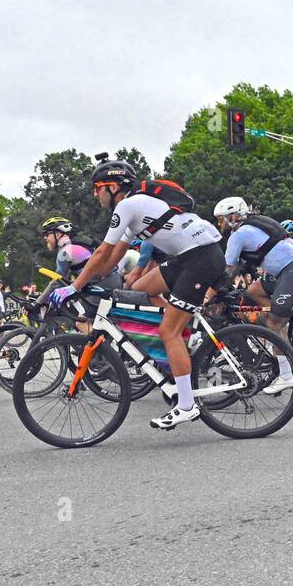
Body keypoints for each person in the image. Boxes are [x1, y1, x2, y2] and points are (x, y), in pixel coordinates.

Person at [50, 160, 225, 429]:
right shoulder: (135, 213)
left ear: (112, 186)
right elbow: (110, 261)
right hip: (187, 257)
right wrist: (86, 281)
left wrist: (74, 288)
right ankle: (183, 330)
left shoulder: (128, 206)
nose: (95, 195)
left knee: (168, 331)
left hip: (200, 259)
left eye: (97, 188)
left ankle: (187, 404)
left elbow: (101, 253)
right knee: (140, 287)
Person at [215, 196, 293, 394]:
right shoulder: (252, 227)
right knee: (253, 290)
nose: (219, 224)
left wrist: (214, 289)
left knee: (274, 323)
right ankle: (280, 317)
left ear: (233, 216)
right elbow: (241, 265)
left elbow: (228, 268)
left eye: (221, 219)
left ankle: (287, 375)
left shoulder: (238, 235)